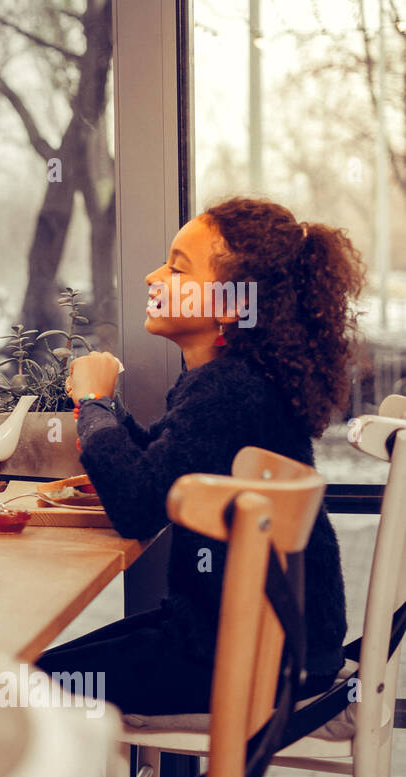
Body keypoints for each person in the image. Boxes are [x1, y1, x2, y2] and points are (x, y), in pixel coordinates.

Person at [36, 197, 364, 716]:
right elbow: (163, 462)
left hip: (246, 658)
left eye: (177, 267)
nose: (152, 276)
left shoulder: (230, 390)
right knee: (36, 670)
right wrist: (108, 411)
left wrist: (93, 404)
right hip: (261, 640)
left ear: (233, 305)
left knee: (27, 688)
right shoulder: (232, 381)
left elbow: (139, 503)